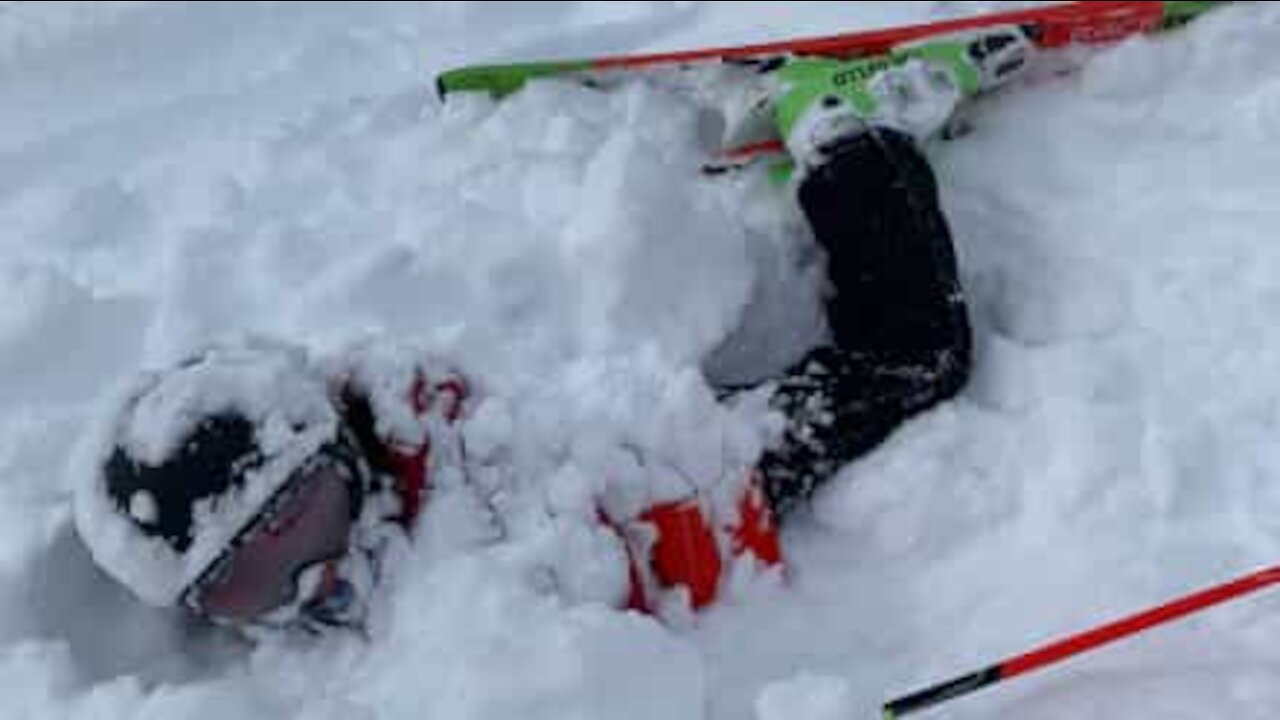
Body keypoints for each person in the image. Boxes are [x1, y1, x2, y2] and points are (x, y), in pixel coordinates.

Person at [72, 28, 1033, 637]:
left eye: (310, 523)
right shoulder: (384, 500)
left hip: (707, 486)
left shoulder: (443, 488)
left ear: (341, 453)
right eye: (254, 586)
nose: (316, 577)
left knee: (915, 354)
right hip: (667, 497)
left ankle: (843, 125)